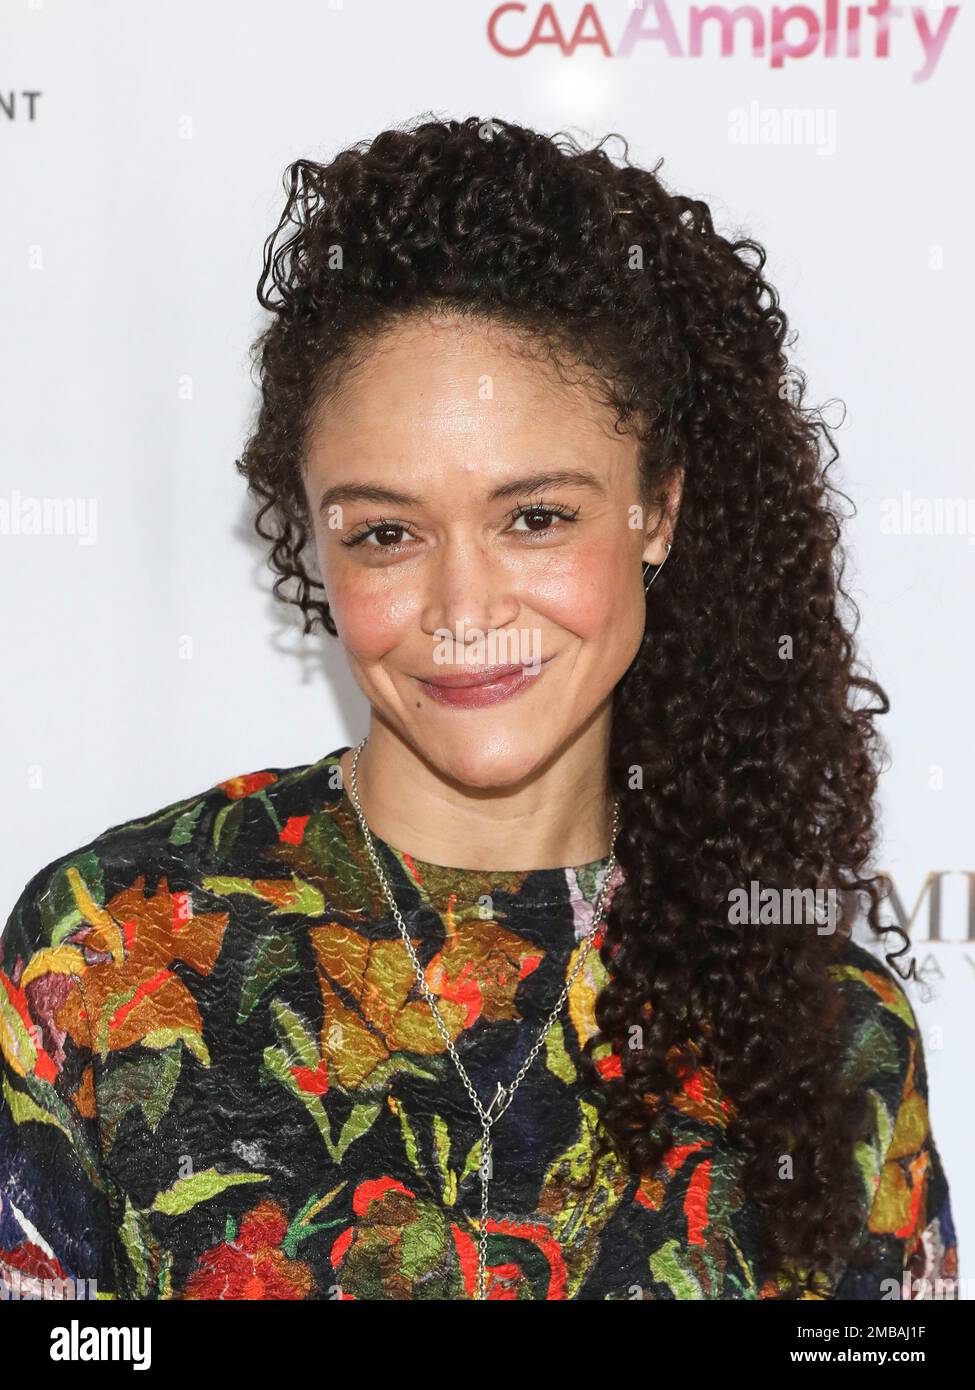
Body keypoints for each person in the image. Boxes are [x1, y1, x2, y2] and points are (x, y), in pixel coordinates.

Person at [0, 115, 957, 1302]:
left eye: (536, 516)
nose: (461, 607)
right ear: (315, 538)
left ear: (657, 511)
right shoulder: (107, 947)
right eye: (387, 533)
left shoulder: (830, 1033)